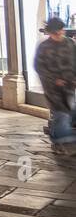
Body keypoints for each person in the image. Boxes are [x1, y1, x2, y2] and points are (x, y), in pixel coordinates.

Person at [34, 17, 76, 155]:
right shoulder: (44, 47)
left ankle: (57, 135)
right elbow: (39, 67)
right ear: (51, 33)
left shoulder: (70, 44)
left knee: (69, 110)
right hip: (53, 88)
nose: (60, 35)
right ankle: (62, 142)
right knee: (61, 112)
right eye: (57, 33)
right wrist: (54, 80)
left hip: (70, 85)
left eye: (62, 31)